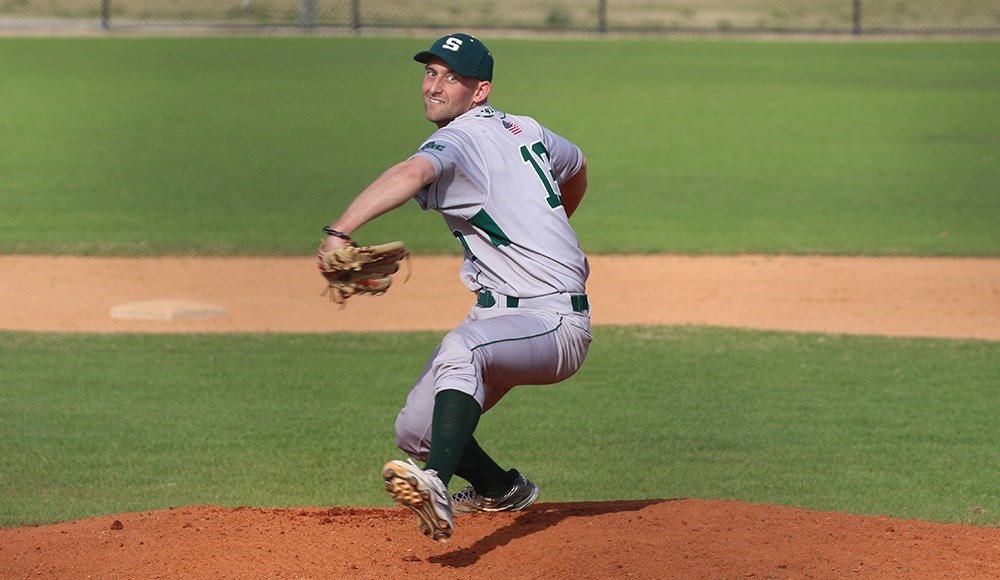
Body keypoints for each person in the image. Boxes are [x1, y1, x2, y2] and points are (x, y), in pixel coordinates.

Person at [319, 33, 592, 542]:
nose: (434, 87)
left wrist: (339, 233)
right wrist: (547, 231)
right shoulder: (524, 127)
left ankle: (436, 486)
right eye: (431, 73)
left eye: (452, 78)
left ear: (479, 90)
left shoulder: (461, 138)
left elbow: (412, 171)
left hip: (553, 322)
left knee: (461, 349)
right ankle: (500, 488)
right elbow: (575, 167)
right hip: (500, 317)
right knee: (415, 431)